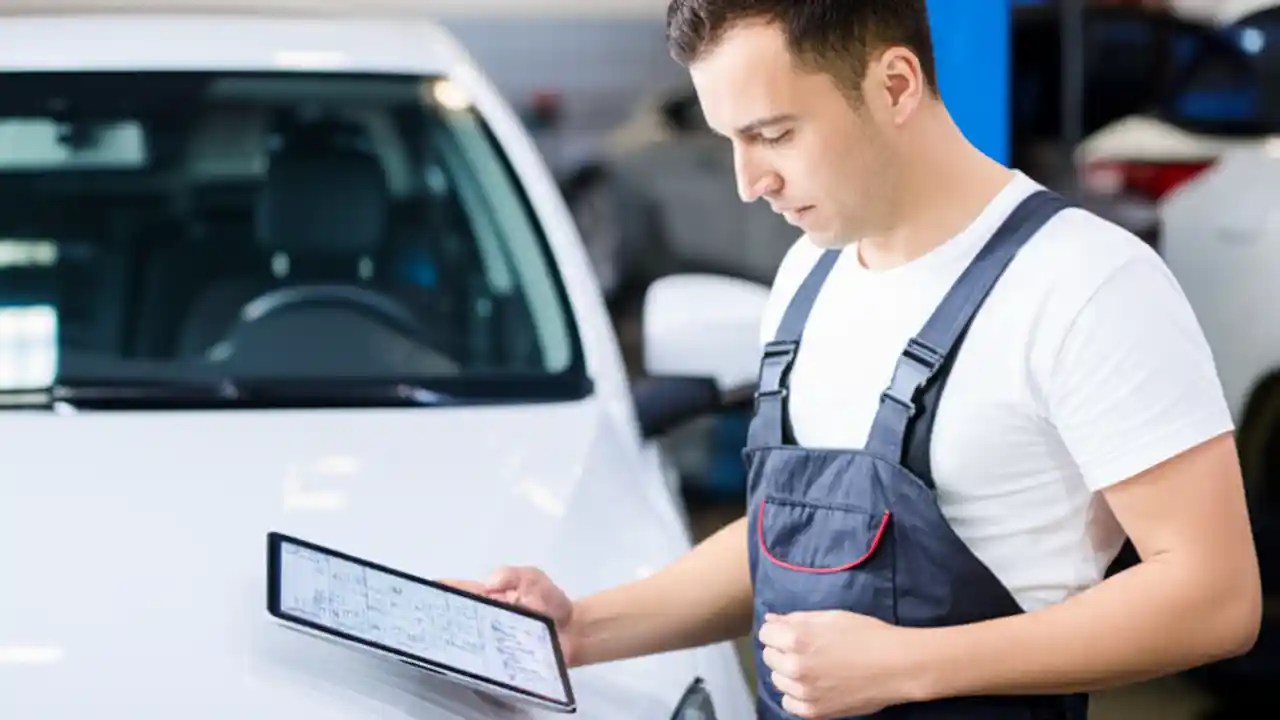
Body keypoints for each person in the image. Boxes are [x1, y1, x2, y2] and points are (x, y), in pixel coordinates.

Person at [448, 1, 1262, 718]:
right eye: (731, 140)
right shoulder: (812, 272)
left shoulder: (1084, 283)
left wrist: (907, 666)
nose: (749, 181)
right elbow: (798, 538)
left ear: (895, 85)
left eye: (774, 134)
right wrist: (580, 629)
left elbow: (1214, 597)